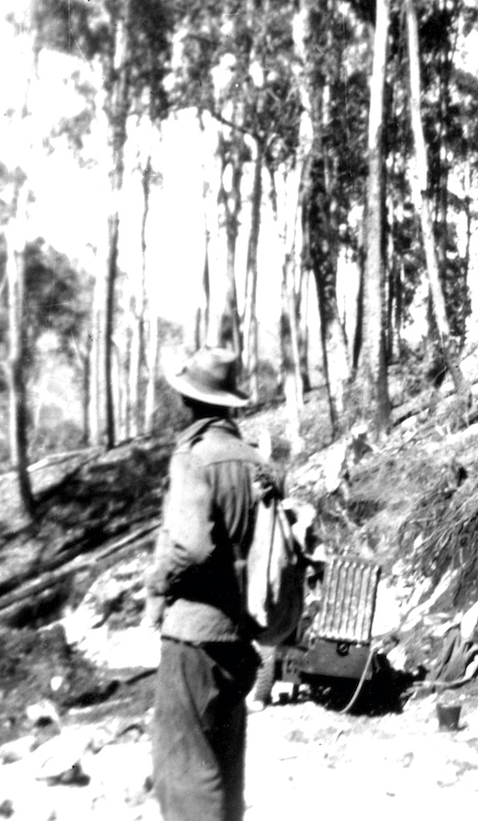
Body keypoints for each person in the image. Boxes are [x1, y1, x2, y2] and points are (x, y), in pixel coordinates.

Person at [144, 346, 275, 821]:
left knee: (183, 775)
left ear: (189, 402)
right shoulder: (254, 459)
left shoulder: (194, 457)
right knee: (223, 766)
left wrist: (156, 581)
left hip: (194, 638)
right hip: (240, 637)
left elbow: (192, 548)